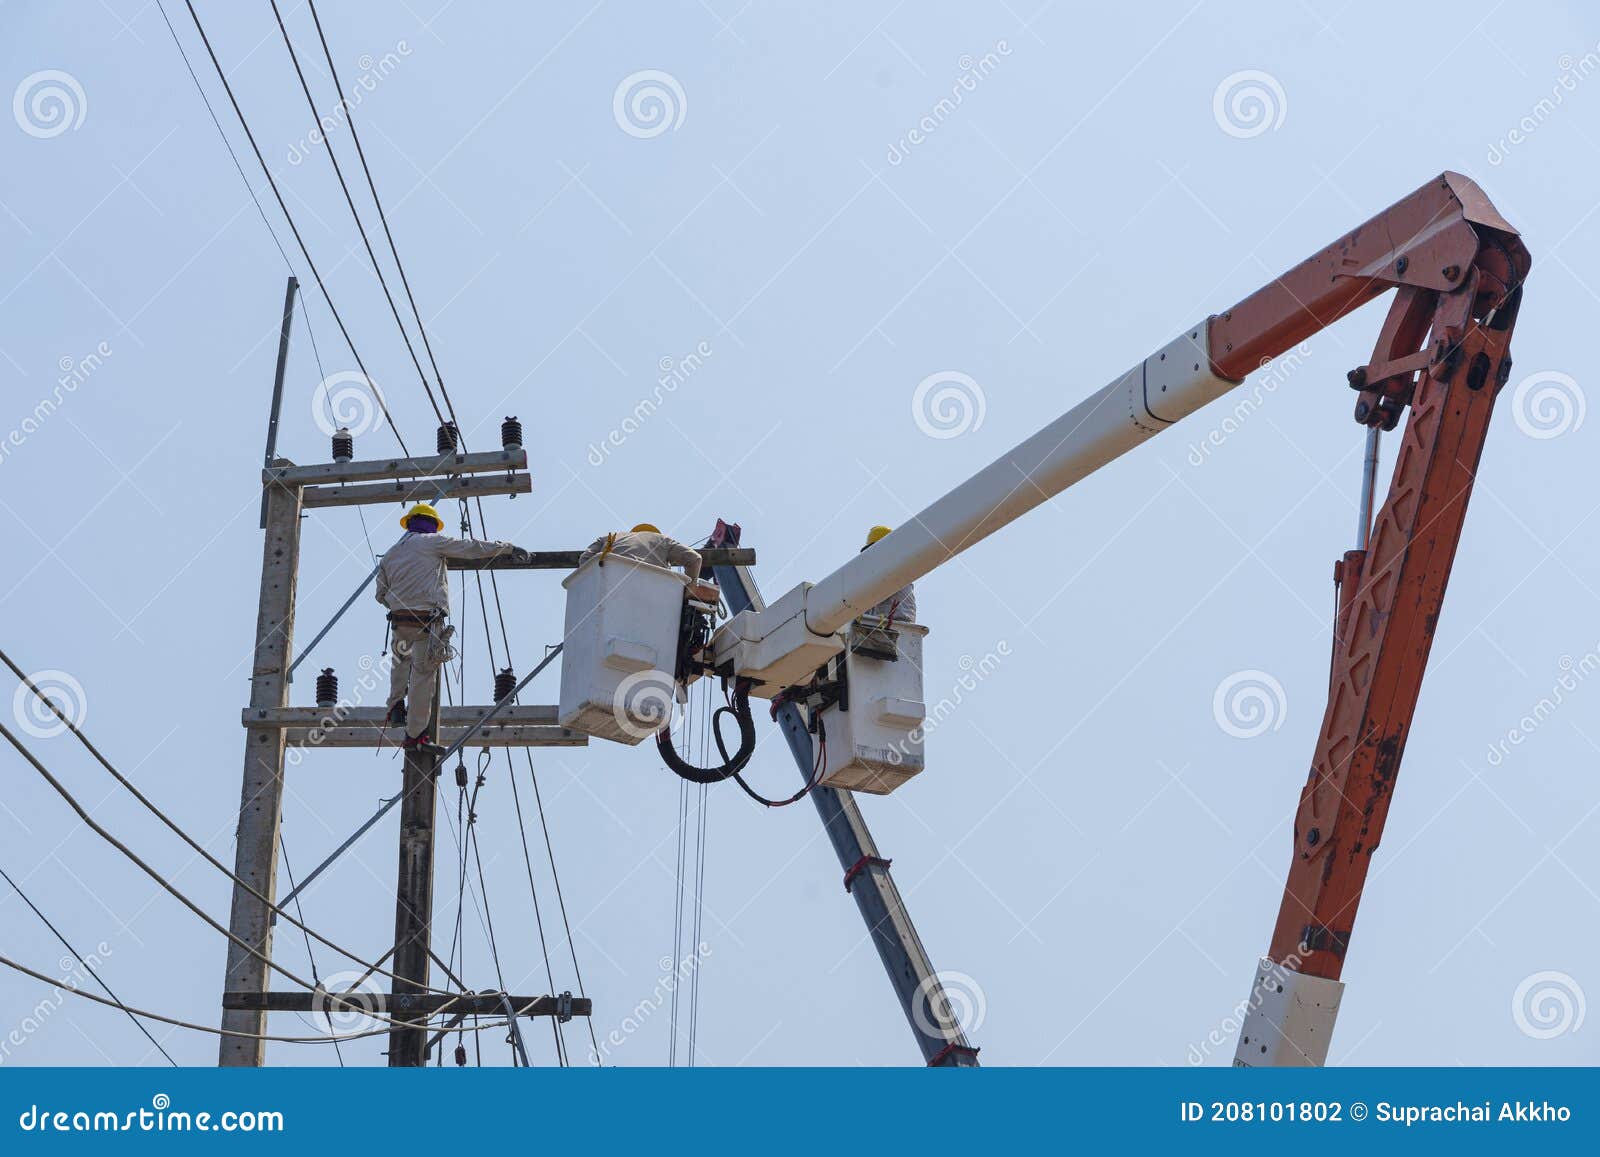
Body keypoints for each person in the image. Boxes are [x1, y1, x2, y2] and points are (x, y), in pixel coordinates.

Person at [377, 502, 521, 747]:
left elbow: (380, 594)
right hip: (426, 621)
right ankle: (414, 736)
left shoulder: (390, 554)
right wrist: (506, 548)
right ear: (432, 526)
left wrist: (401, 601)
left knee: (400, 663)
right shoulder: (433, 542)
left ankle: (394, 706)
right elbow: (471, 547)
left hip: (400, 620)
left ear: (409, 524)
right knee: (423, 675)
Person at [579, 523, 704, 582]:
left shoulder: (610, 537)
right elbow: (695, 559)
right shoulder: (662, 540)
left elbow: (584, 560)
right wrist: (689, 592)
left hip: (608, 583)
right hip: (650, 589)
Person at [860, 524, 916, 625]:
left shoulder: (895, 571)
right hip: (878, 629)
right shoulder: (876, 576)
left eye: (874, 550)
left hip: (896, 627)